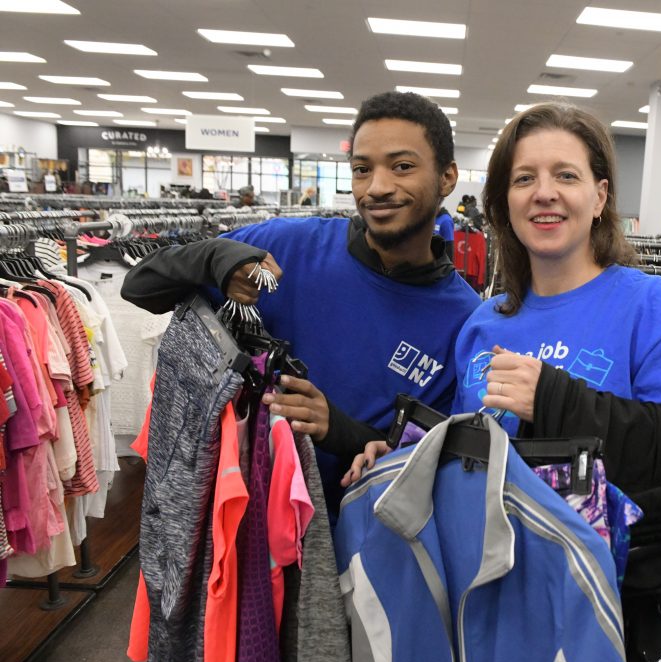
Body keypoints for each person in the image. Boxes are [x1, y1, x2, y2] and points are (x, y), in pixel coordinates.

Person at [121, 91, 482, 519]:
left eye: (402, 166)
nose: (377, 187)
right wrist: (215, 257)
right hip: (241, 526)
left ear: (447, 177)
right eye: (362, 169)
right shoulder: (286, 245)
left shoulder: (464, 320)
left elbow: (434, 461)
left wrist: (339, 429)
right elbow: (140, 286)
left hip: (363, 537)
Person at [344, 102, 661, 486]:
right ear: (506, 202)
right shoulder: (482, 323)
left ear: (599, 197)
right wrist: (410, 454)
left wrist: (555, 401)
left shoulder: (653, 307)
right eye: (524, 179)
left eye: (566, 176)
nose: (544, 193)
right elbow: (467, 457)